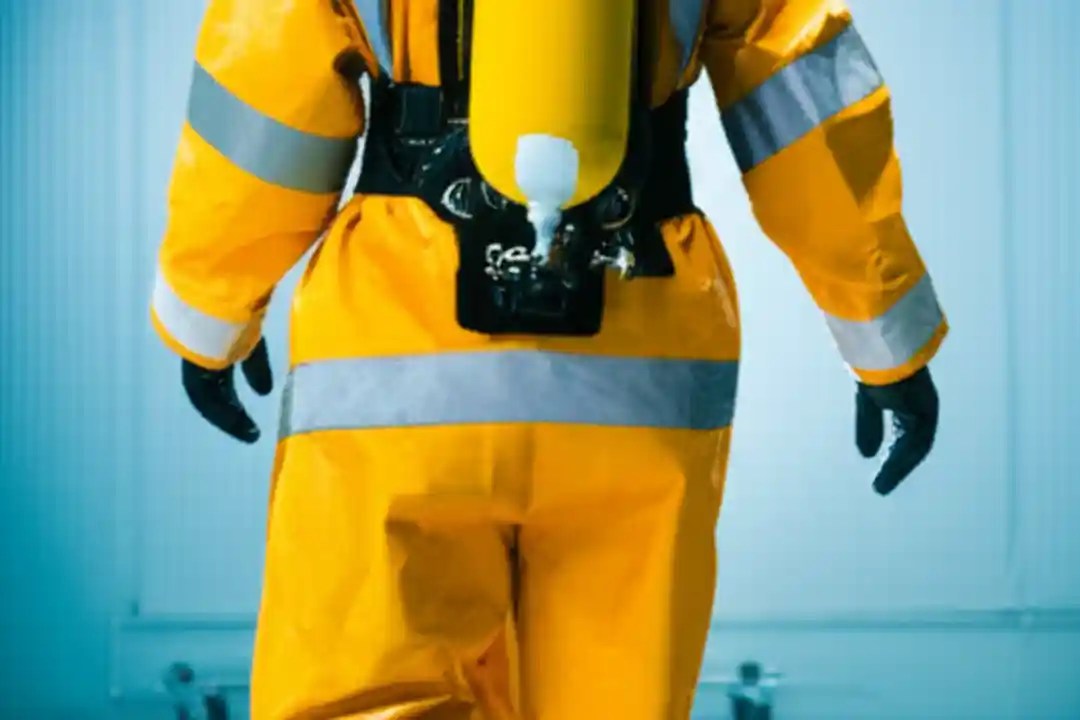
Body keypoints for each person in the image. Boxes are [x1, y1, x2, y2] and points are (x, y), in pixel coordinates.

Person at [148, 0, 946, 717]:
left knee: (369, 693)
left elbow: (261, 95)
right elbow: (808, 107)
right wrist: (886, 343)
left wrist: (211, 315)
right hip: (638, 355)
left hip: (399, 357)